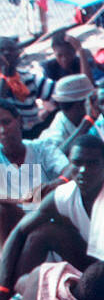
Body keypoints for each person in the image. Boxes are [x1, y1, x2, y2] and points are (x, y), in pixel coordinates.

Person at [0, 134, 104, 299]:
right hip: (89, 265)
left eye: (92, 163)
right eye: (77, 163)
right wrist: (3, 287)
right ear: (70, 164)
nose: (83, 170)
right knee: (41, 234)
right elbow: (19, 231)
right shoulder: (64, 195)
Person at [0, 99, 69, 244]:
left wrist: (58, 182)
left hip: (48, 218)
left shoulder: (41, 148)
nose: (2, 130)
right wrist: (27, 199)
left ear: (18, 120)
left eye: (6, 122)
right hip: (13, 224)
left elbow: (70, 170)